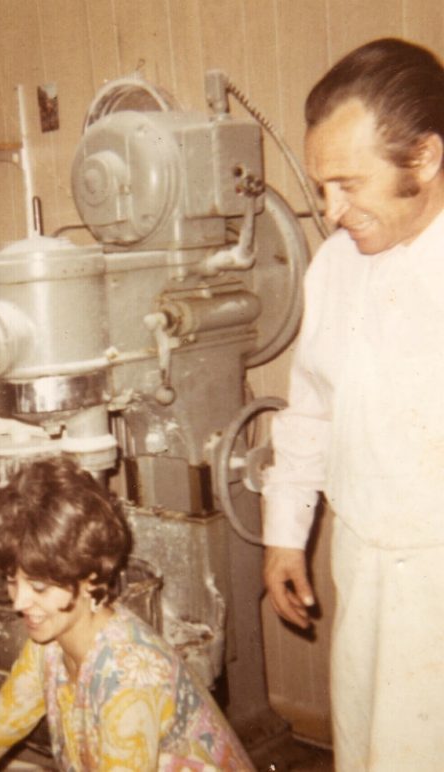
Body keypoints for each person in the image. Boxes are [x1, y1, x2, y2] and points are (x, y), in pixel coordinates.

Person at [262, 37, 444, 771]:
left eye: (348, 183)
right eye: (321, 187)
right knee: (370, 752)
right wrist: (284, 533)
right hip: (363, 562)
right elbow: (311, 410)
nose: (332, 211)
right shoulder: (336, 268)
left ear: (426, 159)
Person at [0, 456, 252, 770]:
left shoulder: (127, 678)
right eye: (12, 581)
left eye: (39, 586)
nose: (18, 602)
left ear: (90, 577)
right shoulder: (53, 642)